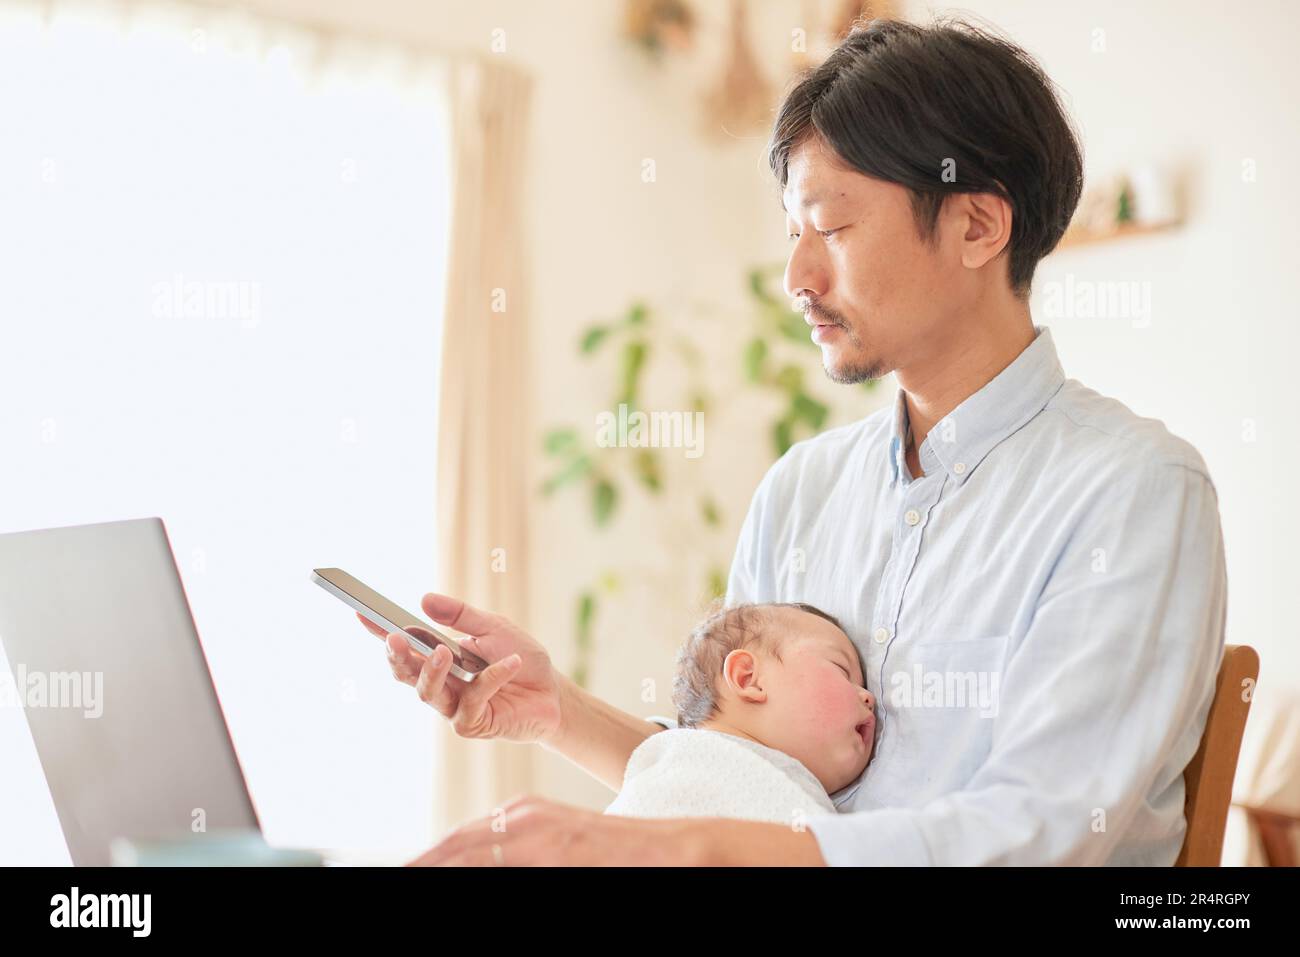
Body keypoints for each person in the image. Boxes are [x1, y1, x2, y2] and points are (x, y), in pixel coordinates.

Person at [370, 17, 1227, 866]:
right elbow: (740, 775)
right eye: (793, 234)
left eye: (835, 228)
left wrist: (692, 848)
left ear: (977, 226)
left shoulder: (1134, 490)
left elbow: (1042, 831)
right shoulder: (804, 488)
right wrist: (554, 708)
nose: (797, 280)